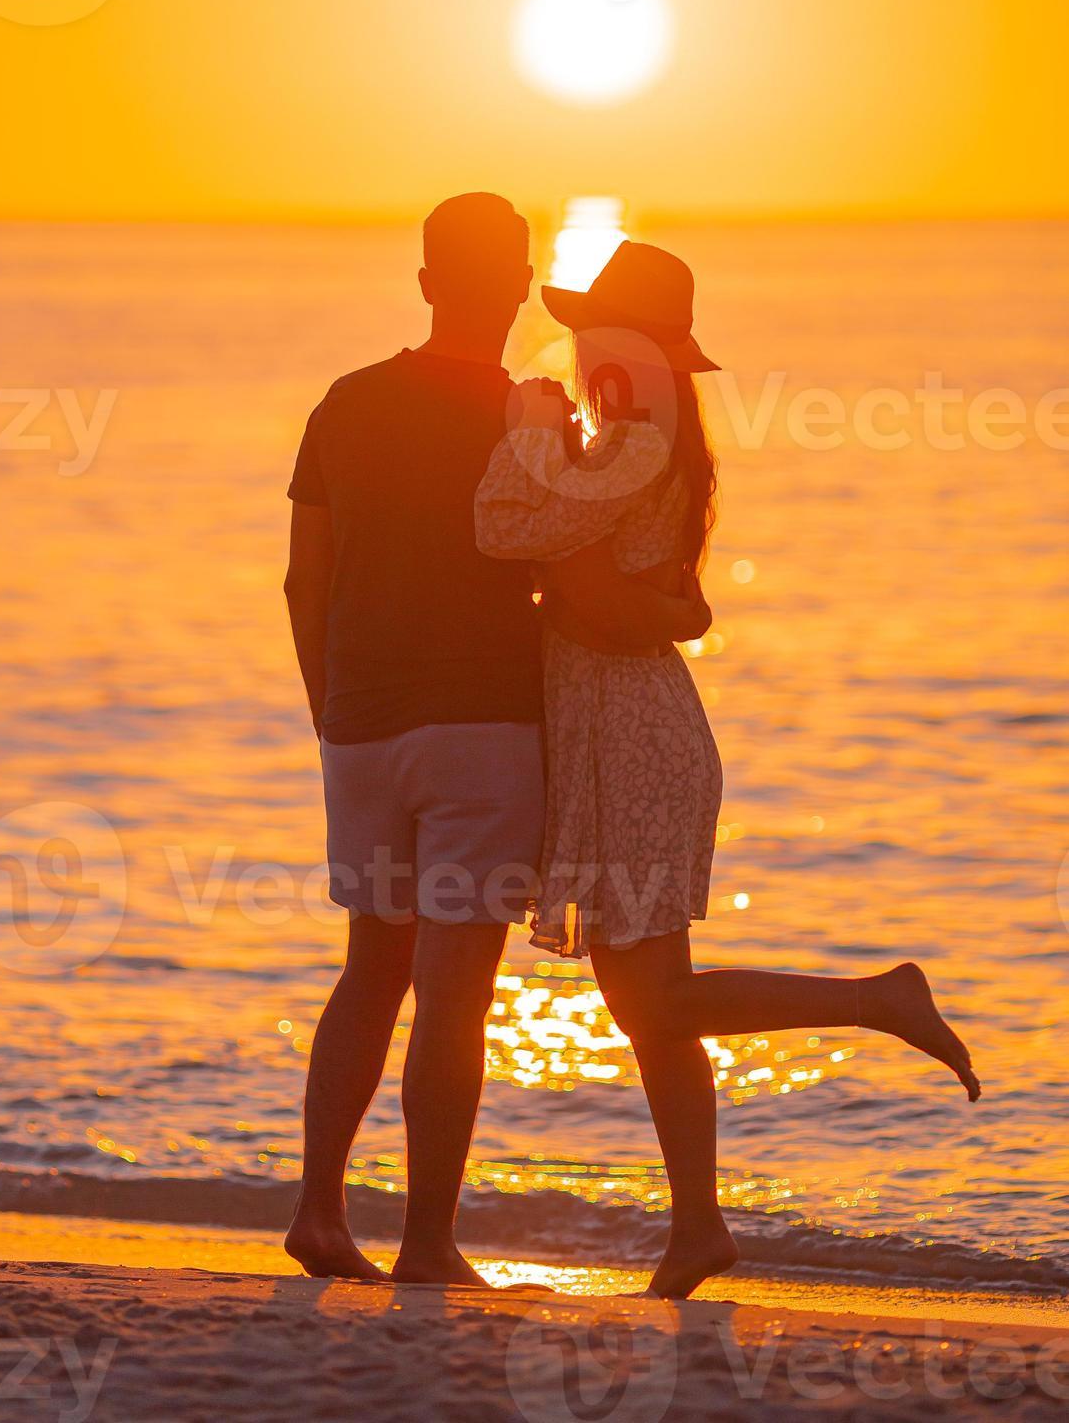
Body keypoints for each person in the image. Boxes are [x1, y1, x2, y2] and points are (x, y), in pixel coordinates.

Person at [476, 239, 981, 1300]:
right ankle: (697, 1226)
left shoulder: (626, 446)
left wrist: (522, 437)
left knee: (654, 1002)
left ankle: (874, 1001)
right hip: (619, 733)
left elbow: (511, 537)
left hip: (632, 738)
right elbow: (609, 589)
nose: (578, 353)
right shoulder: (634, 442)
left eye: (596, 336)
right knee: (648, 1005)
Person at [282, 195, 712, 1285]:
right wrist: (676, 609)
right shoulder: (535, 414)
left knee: (368, 970)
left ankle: (320, 1211)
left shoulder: (342, 405)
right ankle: (427, 1242)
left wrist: (332, 712)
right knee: (454, 990)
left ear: (425, 282)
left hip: (360, 724)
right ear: (518, 286)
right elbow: (569, 567)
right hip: (481, 725)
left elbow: (304, 578)